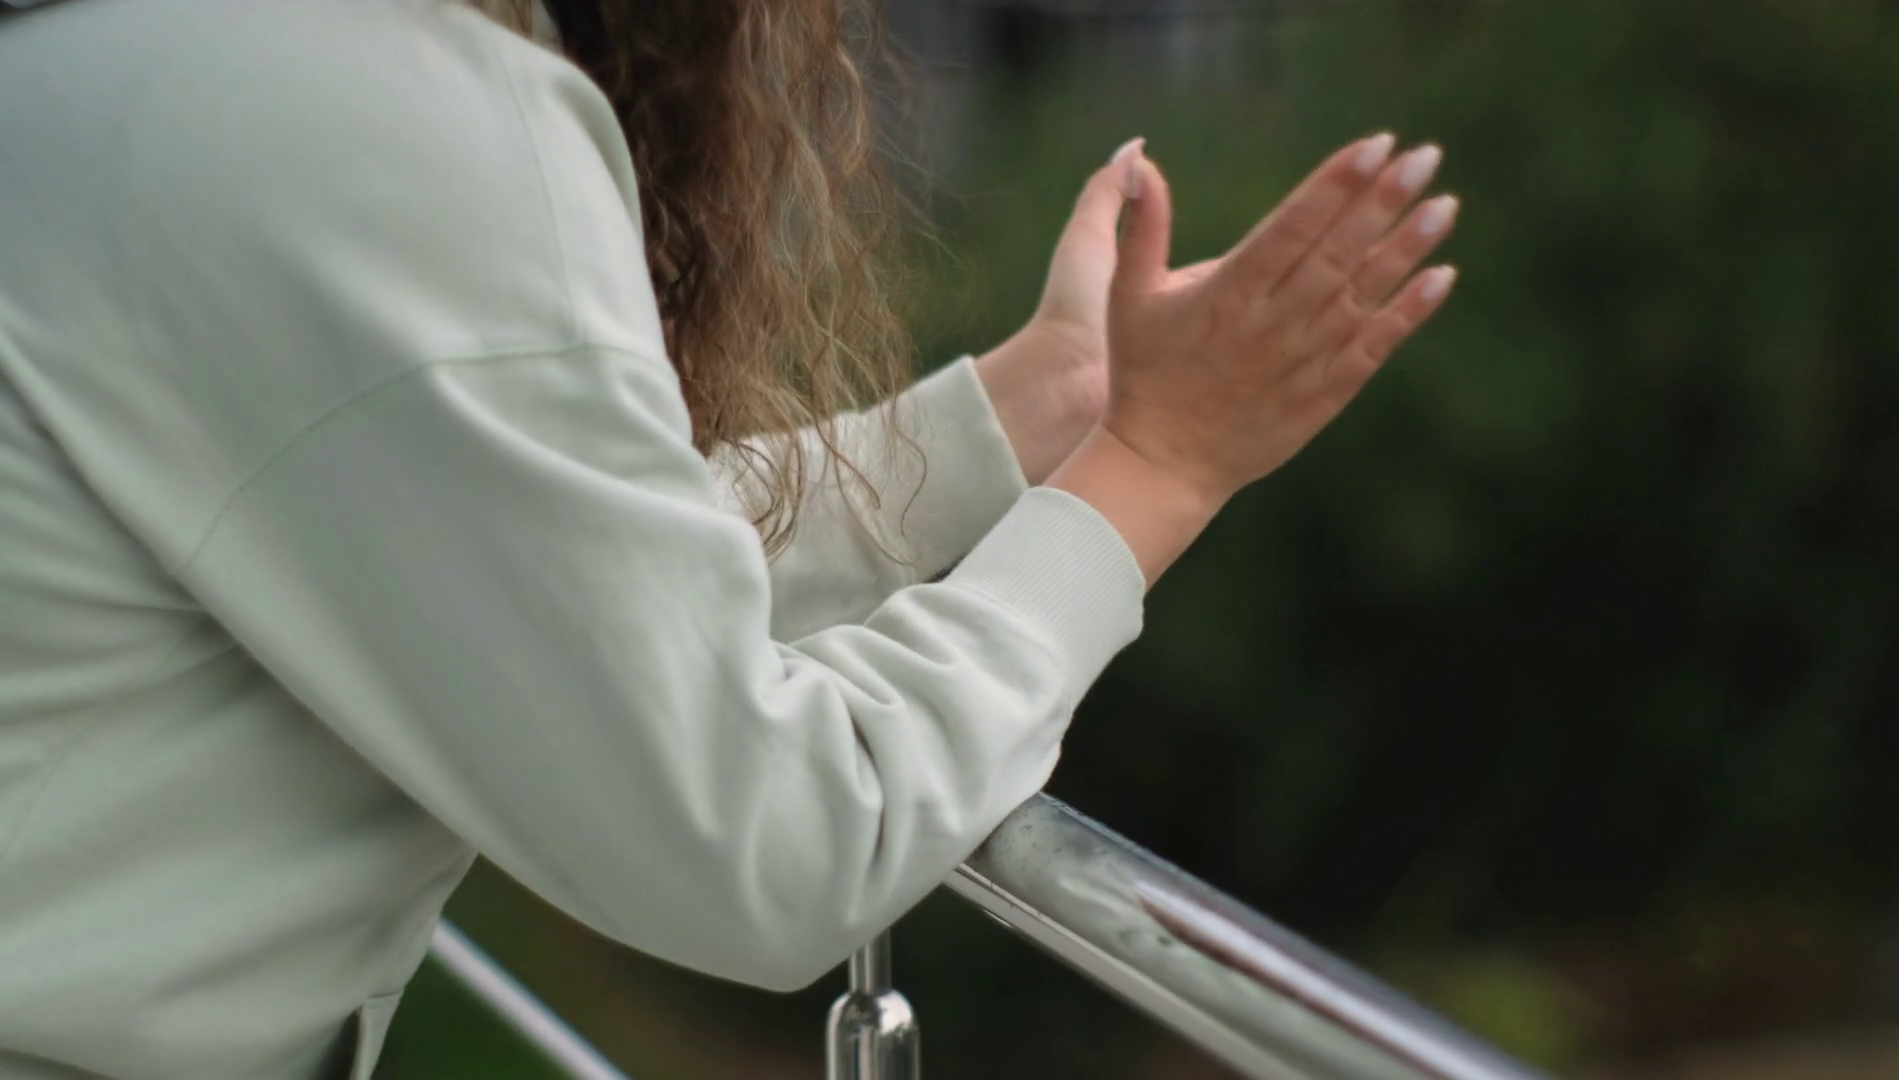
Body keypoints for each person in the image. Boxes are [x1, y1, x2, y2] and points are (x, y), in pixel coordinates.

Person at [0, 0, 1458, 1076]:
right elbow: (765, 842)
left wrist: (1035, 411)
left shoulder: (141, 61)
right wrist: (1160, 463)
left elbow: (531, 563)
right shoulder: (368, 106)